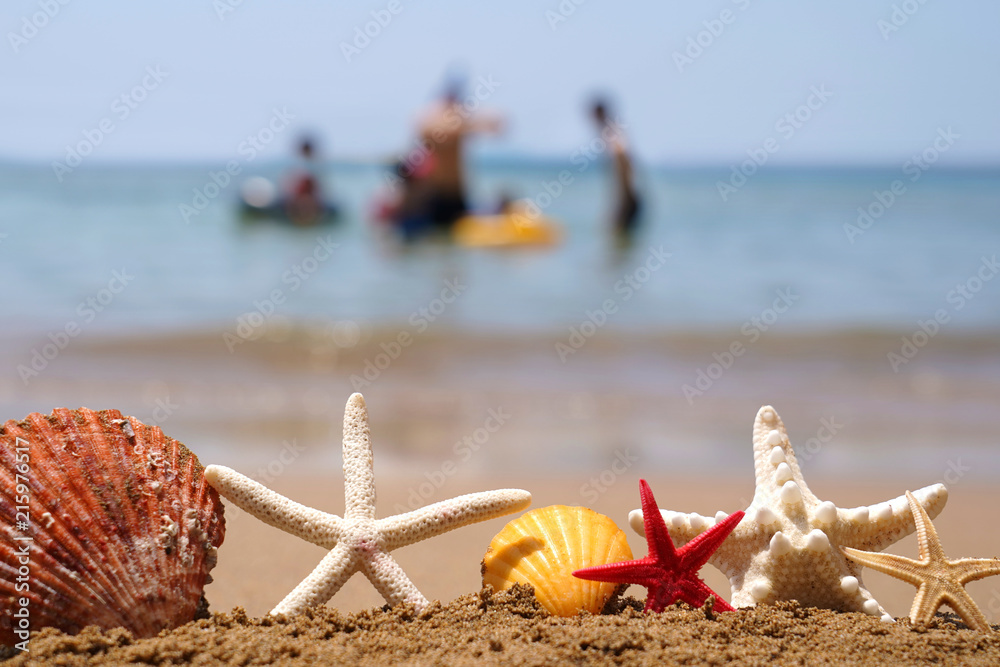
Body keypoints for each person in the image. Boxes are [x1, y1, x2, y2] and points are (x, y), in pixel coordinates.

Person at [417, 80, 503, 234]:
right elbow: (427, 130)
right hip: (436, 196)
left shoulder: (460, 122)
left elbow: (497, 123)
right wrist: (467, 125)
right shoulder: (432, 120)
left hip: (458, 196)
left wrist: (470, 123)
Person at [591, 99, 641, 241]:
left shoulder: (611, 134)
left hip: (628, 198)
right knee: (621, 243)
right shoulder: (614, 131)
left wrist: (623, 202)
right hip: (629, 196)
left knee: (617, 239)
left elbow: (623, 163)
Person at [284, 137, 324, 225]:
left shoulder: (315, 165)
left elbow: (317, 186)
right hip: (299, 195)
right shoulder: (297, 164)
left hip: (308, 194)